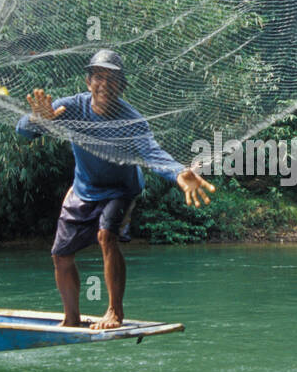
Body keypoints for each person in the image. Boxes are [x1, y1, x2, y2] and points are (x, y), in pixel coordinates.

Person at [16, 49, 215, 330]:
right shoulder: (71, 107)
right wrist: (36, 119)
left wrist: (179, 173)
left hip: (121, 190)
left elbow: (152, 154)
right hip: (84, 188)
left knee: (106, 235)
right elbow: (23, 131)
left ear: (122, 87)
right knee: (60, 255)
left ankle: (114, 312)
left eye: (112, 79)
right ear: (88, 82)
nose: (104, 84)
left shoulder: (132, 121)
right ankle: (71, 317)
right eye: (98, 77)